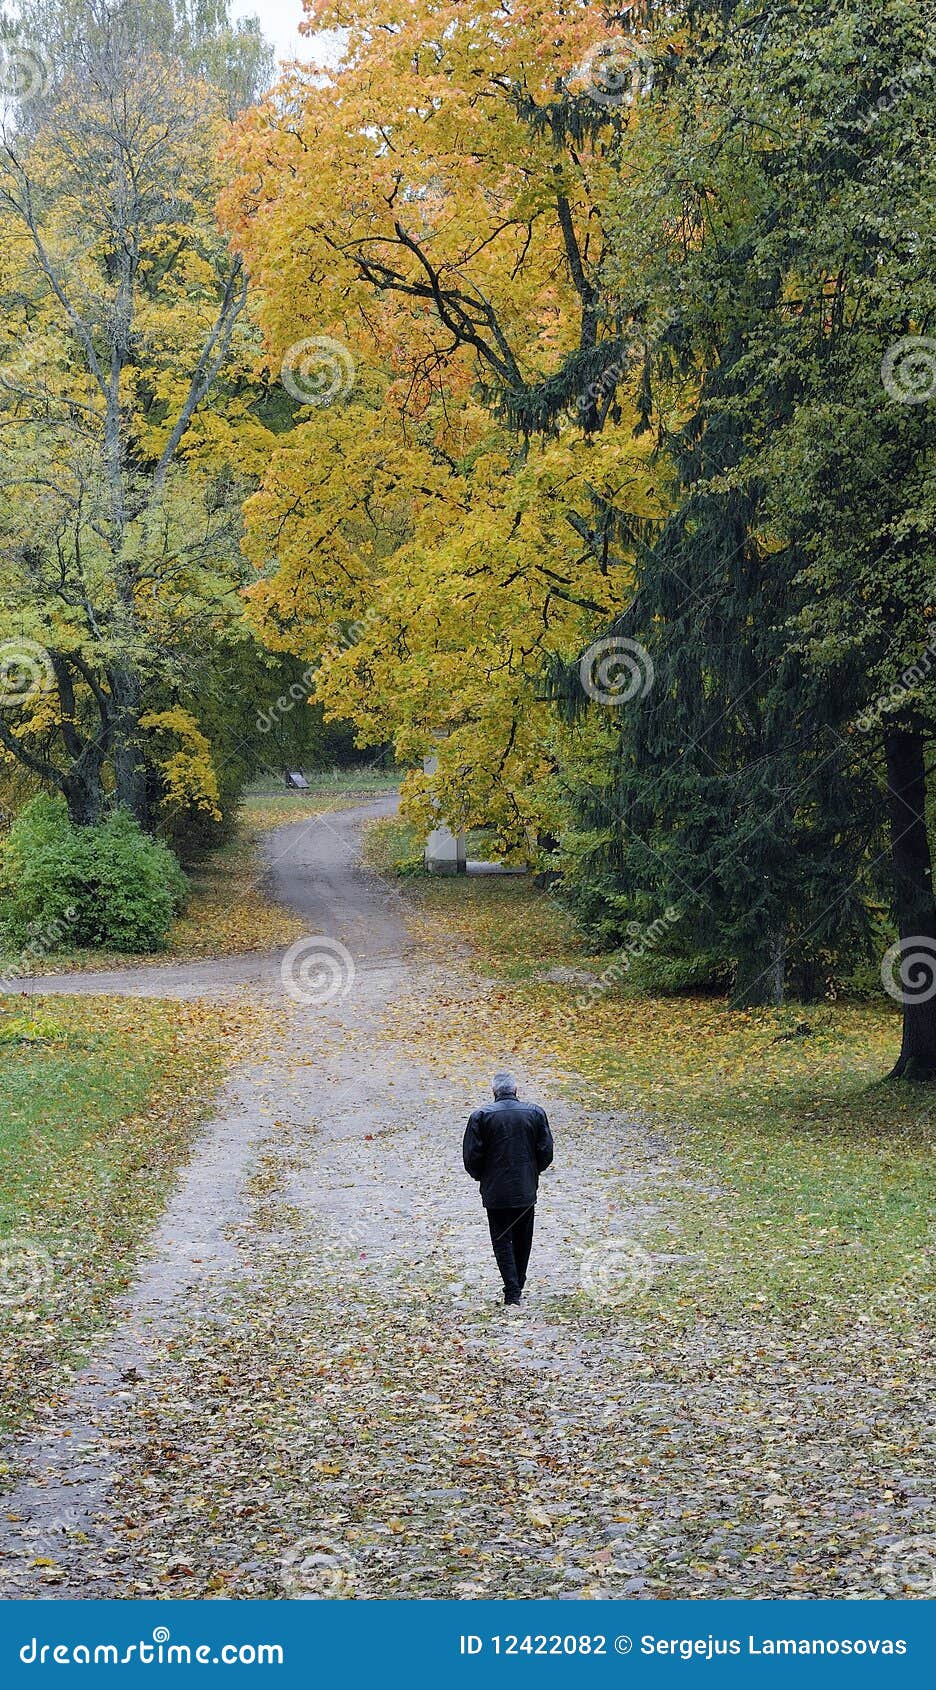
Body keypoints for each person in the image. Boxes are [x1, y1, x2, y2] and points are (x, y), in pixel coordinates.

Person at [462, 1072, 553, 1311]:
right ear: (516, 1089)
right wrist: (532, 1172)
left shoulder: (480, 1116)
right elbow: (546, 1151)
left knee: (502, 1240)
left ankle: (512, 1291)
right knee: (524, 1238)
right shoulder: (535, 1113)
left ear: (494, 1091)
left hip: (496, 1191)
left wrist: (483, 1177)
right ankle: (517, 1285)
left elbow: (471, 1156)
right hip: (525, 1187)